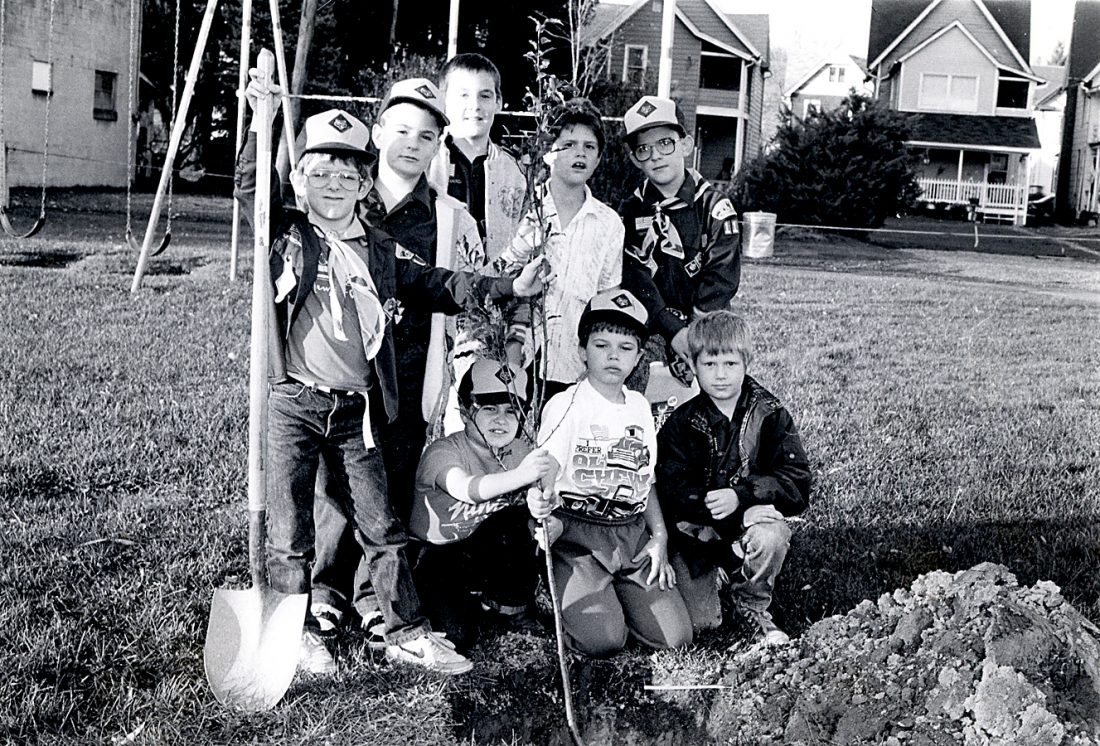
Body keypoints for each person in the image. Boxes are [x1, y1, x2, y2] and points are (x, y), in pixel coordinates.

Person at [236, 75, 548, 675]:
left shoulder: (380, 247)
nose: (334, 184)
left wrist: (506, 286)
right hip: (294, 402)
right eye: (320, 173)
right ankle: (292, 626)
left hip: (361, 407)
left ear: (362, 181)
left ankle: (401, 627)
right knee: (293, 523)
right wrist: (264, 123)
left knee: (381, 519)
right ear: (302, 180)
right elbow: (254, 192)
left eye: (346, 176)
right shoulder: (292, 234)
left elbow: (437, 283)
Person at [309, 77, 533, 643]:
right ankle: (327, 592)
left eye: (427, 135)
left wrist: (507, 290)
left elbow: (451, 284)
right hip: (338, 370)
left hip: (408, 374)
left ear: (440, 147)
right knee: (335, 484)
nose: (412, 144)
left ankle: (373, 594)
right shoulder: (340, 195)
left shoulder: (448, 216)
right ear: (378, 131)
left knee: (392, 481)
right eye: (401, 130)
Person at [528, 288, 693, 657]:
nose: (613, 356)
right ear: (582, 350)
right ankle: (577, 592)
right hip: (577, 535)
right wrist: (541, 503)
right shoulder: (566, 404)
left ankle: (620, 596)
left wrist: (660, 537)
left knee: (676, 638)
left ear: (639, 356)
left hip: (630, 533)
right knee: (603, 641)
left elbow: (644, 480)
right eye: (602, 345)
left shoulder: (638, 406)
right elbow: (546, 471)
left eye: (626, 347)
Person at [655, 311, 811, 645]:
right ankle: (719, 573)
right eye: (709, 365)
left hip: (749, 523)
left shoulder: (770, 413)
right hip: (696, 535)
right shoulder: (681, 424)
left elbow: (797, 483)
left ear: (747, 362)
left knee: (771, 535)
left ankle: (752, 602)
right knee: (703, 623)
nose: (721, 375)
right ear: (693, 366)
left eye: (730, 364)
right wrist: (733, 510)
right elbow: (672, 491)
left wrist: (744, 497)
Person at [407, 358, 555, 652]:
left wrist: (546, 505)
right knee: (459, 637)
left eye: (512, 410)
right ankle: (468, 607)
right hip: (438, 554)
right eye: (489, 408)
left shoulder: (519, 451)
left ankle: (508, 606)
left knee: (515, 520)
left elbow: (547, 491)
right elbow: (467, 489)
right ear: (464, 410)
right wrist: (520, 476)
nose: (501, 419)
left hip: (482, 551)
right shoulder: (444, 450)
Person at [495, 98, 624, 397]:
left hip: (574, 366)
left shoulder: (609, 224)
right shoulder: (522, 207)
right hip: (518, 356)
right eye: (568, 144)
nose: (579, 153)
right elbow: (495, 274)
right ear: (548, 153)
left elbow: (606, 300)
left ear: (599, 158)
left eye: (589, 147)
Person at [618, 95, 742, 388]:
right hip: (649, 325)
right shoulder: (629, 212)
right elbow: (633, 275)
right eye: (643, 149)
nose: (655, 156)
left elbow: (720, 279)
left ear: (685, 145)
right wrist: (671, 329)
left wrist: (691, 334)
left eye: (665, 143)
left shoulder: (714, 208)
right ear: (635, 159)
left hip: (705, 326)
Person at [431, 53, 527, 260]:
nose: (475, 105)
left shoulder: (515, 172)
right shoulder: (428, 162)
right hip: (440, 285)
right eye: (463, 95)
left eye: (485, 95)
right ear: (443, 100)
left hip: (496, 287)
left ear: (498, 102)